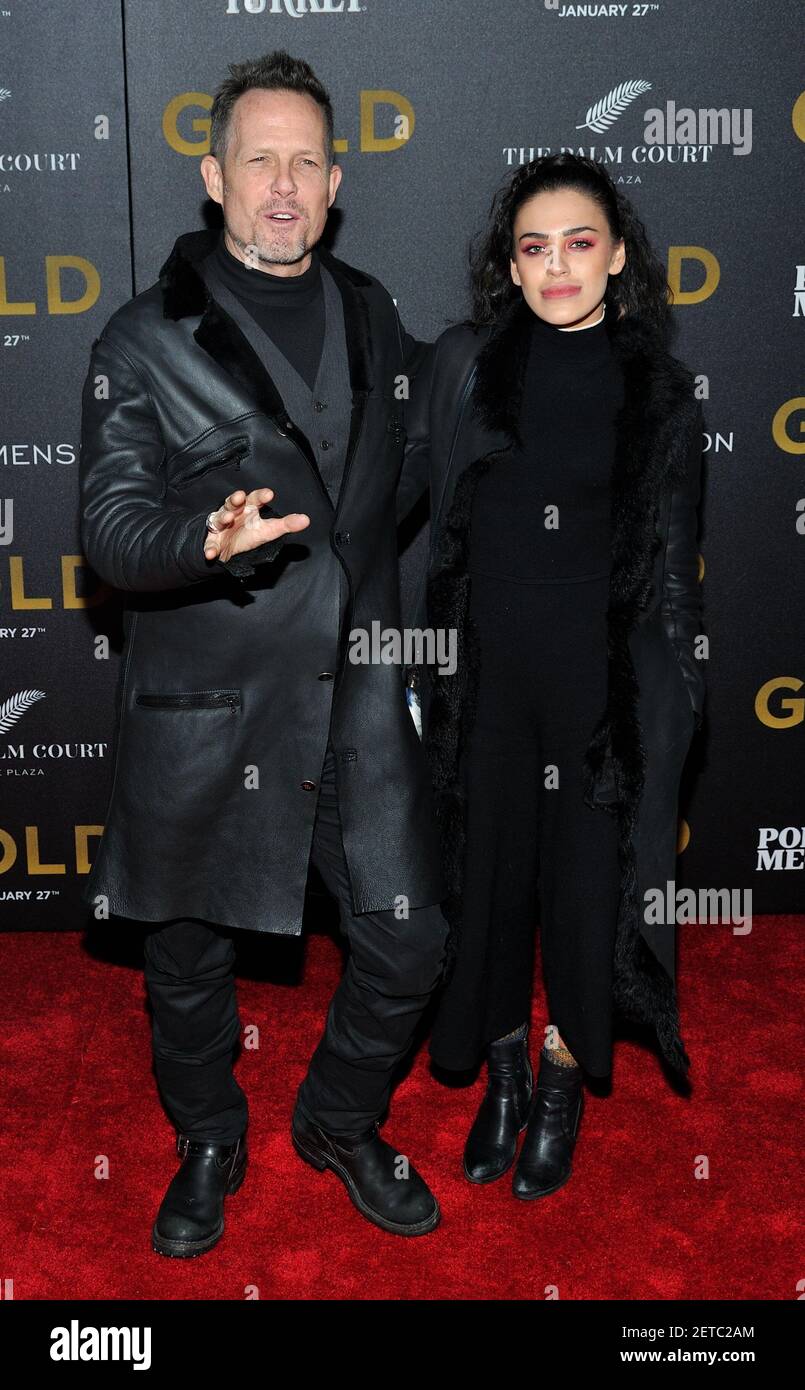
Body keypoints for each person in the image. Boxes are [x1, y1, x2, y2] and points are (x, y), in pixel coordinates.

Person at [79, 49, 450, 1254]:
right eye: (258, 160)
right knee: (187, 959)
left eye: (304, 162)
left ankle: (338, 1120)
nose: (281, 185)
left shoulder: (376, 310)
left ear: (334, 180)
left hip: (356, 681)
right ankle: (208, 1136)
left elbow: (388, 490)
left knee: (408, 933)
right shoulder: (141, 342)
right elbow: (110, 532)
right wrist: (207, 537)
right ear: (213, 176)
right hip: (210, 698)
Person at [402, 153, 706, 1200]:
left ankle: (562, 1084)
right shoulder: (464, 365)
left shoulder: (658, 395)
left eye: (580, 242)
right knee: (483, 888)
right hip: (485, 683)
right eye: (534, 247)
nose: (557, 266)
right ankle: (499, 1079)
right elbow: (414, 517)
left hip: (595, 694)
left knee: (585, 897)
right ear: (511, 265)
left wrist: (670, 712)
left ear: (617, 255)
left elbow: (675, 573)